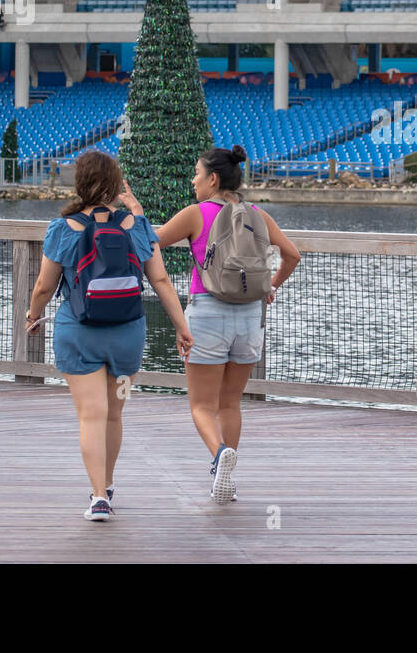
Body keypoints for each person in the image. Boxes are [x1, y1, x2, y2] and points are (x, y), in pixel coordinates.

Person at [128, 144, 300, 505]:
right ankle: (227, 476)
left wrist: (137, 212)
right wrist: (270, 286)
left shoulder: (195, 214)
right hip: (250, 315)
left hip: (207, 312)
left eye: (197, 174)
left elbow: (147, 242)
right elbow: (293, 255)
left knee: (201, 406)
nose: (193, 181)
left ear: (213, 178)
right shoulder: (258, 214)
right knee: (230, 404)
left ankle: (219, 455)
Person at [26, 150, 193, 521]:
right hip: (128, 335)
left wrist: (33, 315)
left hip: (78, 332)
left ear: (79, 182)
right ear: (117, 185)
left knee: (91, 416)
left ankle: (98, 497)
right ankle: (109, 483)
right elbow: (161, 280)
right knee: (114, 415)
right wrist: (182, 326)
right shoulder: (136, 226)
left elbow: (43, 286)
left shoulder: (61, 228)